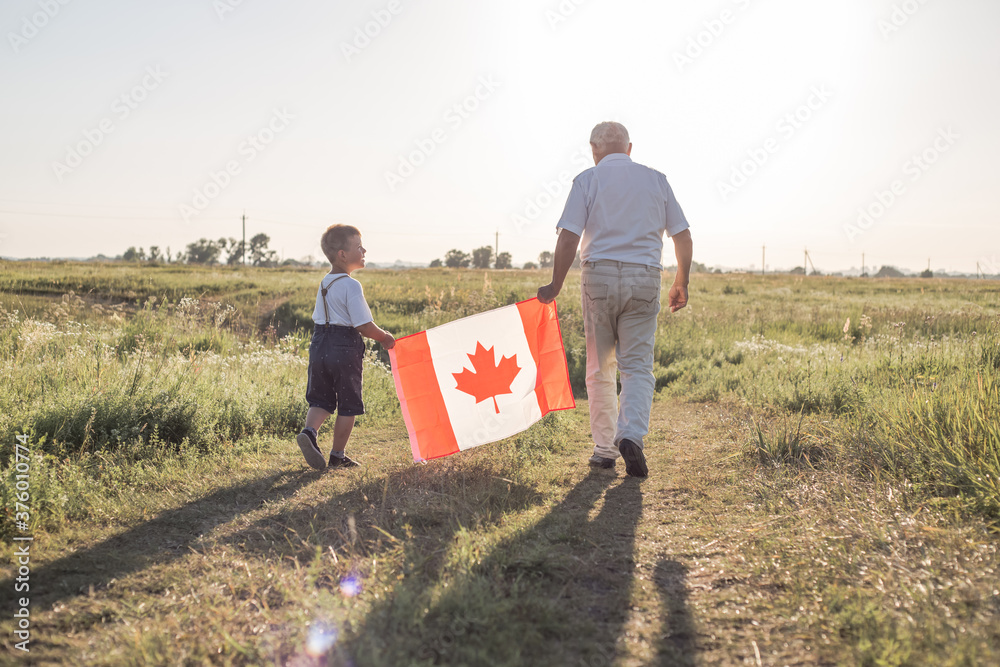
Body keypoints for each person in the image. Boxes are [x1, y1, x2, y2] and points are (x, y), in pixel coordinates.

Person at [537, 121, 693, 478]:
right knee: (637, 366)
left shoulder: (587, 180)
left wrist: (555, 283)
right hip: (645, 278)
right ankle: (632, 435)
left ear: (593, 150)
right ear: (630, 148)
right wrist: (681, 280)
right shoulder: (657, 180)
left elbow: (568, 238)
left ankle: (605, 450)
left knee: (599, 366)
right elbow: (682, 236)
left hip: (599, 277)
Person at [296, 224, 395, 470]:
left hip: (319, 344)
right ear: (342, 255)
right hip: (344, 346)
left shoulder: (325, 283)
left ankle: (309, 432)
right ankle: (337, 455)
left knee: (320, 399)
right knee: (348, 404)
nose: (364, 250)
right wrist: (384, 337)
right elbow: (362, 325)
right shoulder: (352, 285)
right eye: (358, 247)